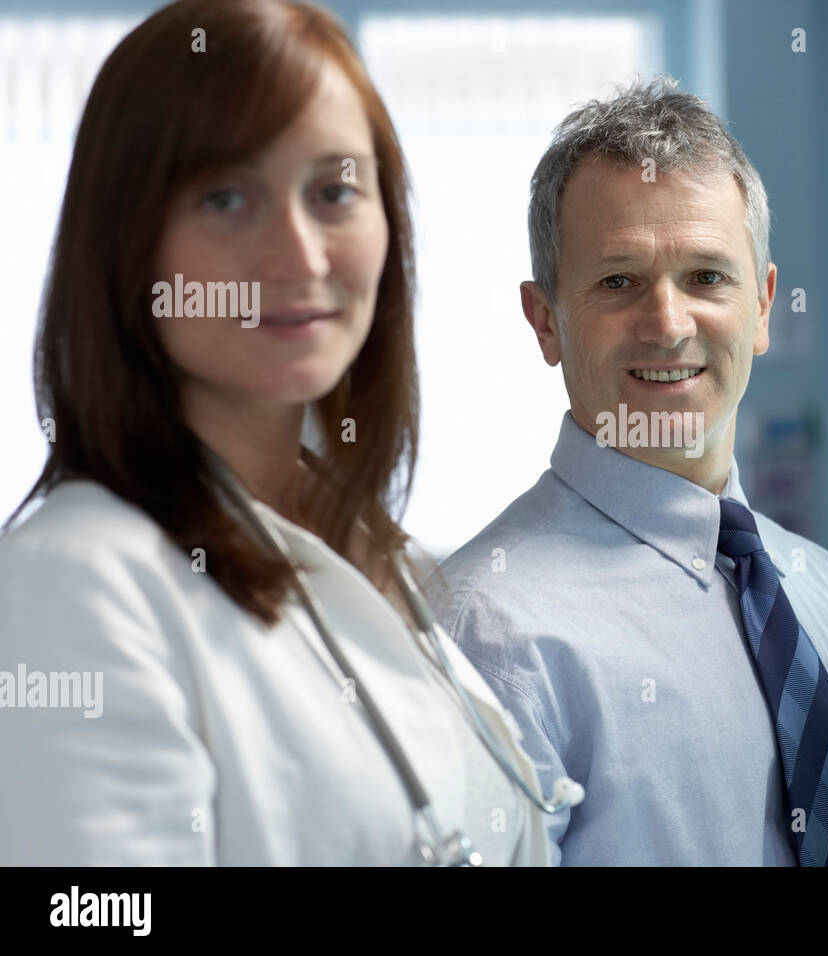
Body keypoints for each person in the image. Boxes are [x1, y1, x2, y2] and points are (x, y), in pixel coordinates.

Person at [428, 77, 828, 866]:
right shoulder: (485, 635)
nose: (668, 324)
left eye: (706, 277)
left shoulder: (818, 588)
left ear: (763, 307)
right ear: (544, 320)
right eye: (618, 281)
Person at [0, 0, 550, 866]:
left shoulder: (380, 556)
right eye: (226, 197)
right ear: (126, 245)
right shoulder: (74, 583)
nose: (298, 257)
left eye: (334, 191)